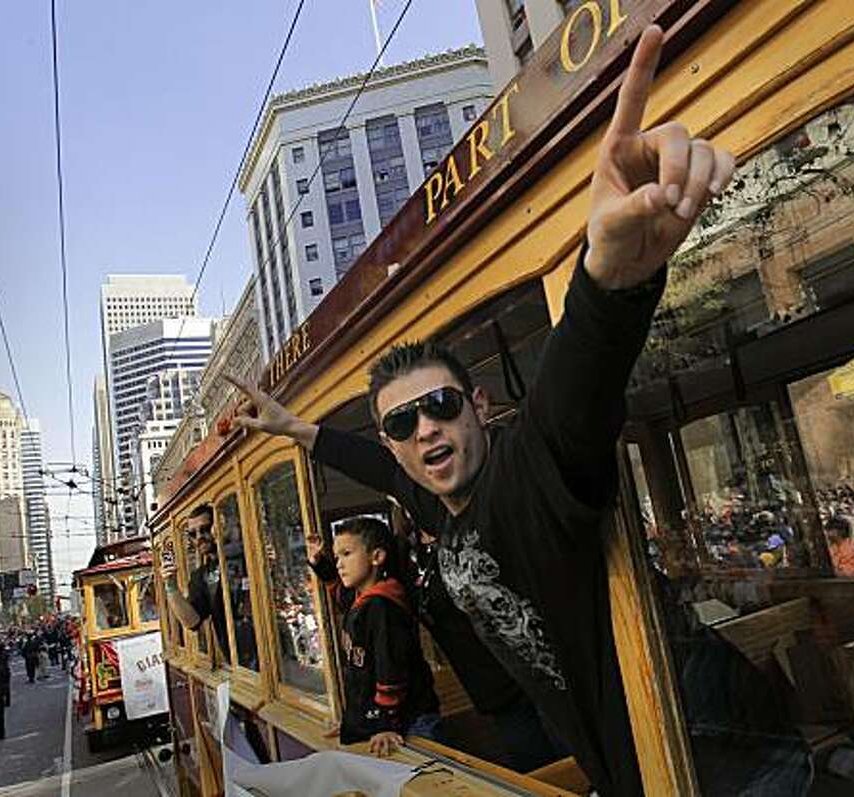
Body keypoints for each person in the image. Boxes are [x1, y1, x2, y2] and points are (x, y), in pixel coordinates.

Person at [225, 26, 737, 797]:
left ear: (480, 407)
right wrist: (297, 430)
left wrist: (609, 281)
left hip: (719, 755)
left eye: (439, 406)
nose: (423, 427)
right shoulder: (435, 504)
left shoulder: (529, 479)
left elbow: (572, 398)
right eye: (402, 422)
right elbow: (374, 463)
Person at [306, 517, 441, 757]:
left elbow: (390, 671)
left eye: (347, 554)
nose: (339, 564)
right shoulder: (361, 599)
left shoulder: (383, 607)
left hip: (408, 724)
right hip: (384, 723)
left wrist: (384, 725)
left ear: (377, 557)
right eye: (337, 557)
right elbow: (339, 593)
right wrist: (358, 723)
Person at [162, 504, 232, 665]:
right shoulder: (202, 575)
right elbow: (191, 621)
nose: (199, 537)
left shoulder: (245, 553)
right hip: (241, 665)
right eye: (193, 534)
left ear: (218, 526)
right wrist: (171, 585)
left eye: (205, 529)